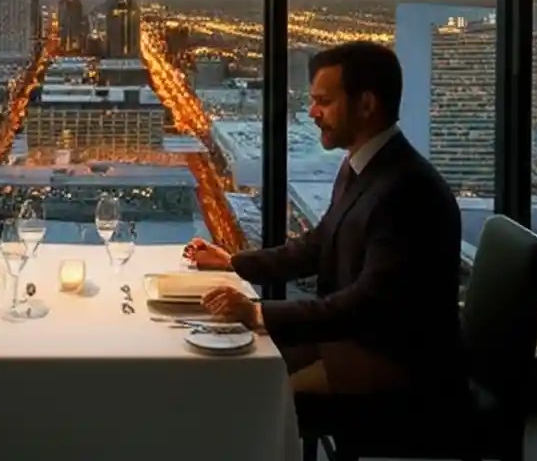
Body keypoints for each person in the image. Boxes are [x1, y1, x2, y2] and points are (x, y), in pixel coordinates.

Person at [187, 41, 463, 395]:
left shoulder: (407, 190)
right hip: (353, 339)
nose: (313, 112)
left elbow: (368, 305)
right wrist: (235, 263)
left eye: (324, 101)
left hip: (401, 362)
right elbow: (317, 246)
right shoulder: (363, 164)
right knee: (225, 361)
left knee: (255, 394)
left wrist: (258, 314)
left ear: (366, 104)